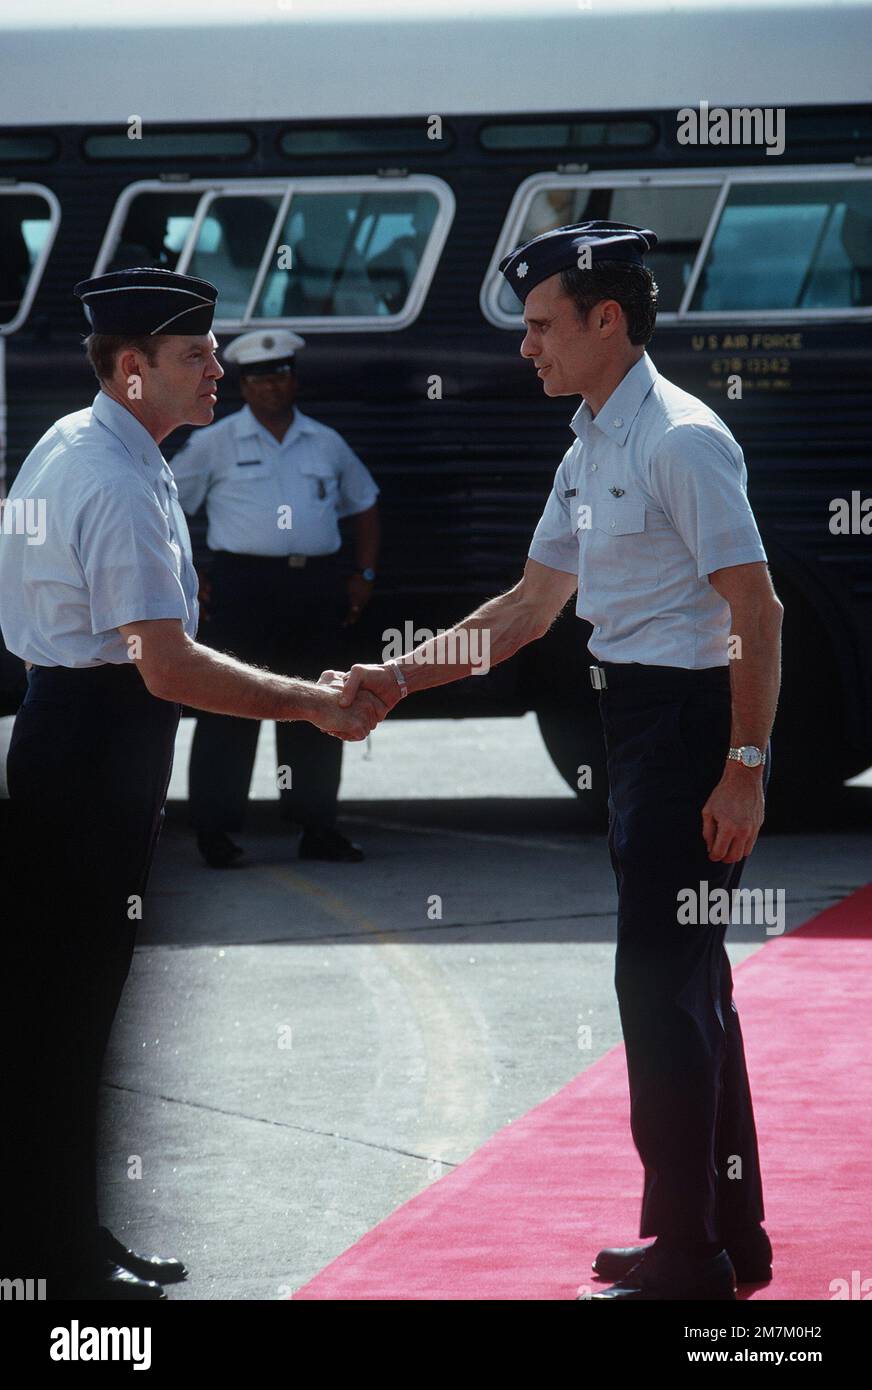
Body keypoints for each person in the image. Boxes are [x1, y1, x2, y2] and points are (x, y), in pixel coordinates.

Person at [332, 221, 783, 1302]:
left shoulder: (679, 438)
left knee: (657, 988)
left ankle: (685, 1257)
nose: (524, 347)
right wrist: (395, 677)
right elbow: (527, 610)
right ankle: (724, 1234)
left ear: (605, 321)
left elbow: (754, 609)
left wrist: (745, 765)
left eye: (540, 327)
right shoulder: (589, 444)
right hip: (633, 729)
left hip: (682, 736)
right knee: (689, 988)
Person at [0, 268, 382, 1301]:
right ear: (134, 371)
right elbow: (166, 664)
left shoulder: (104, 444)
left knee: (67, 1021)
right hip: (93, 747)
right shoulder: (115, 475)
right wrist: (310, 701)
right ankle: (56, 1263)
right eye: (194, 354)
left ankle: (64, 1235)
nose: (218, 366)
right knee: (66, 1020)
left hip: (83, 737)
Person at [170, 329, 381, 868]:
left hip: (313, 588)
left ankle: (316, 828)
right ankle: (215, 833)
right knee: (228, 707)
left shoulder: (325, 442)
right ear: (244, 385)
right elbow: (165, 504)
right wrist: (190, 571)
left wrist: (364, 572)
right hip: (244, 589)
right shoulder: (216, 442)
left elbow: (365, 503)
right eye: (261, 377)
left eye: (282, 375)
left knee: (322, 704)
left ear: (294, 380)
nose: (272, 386)